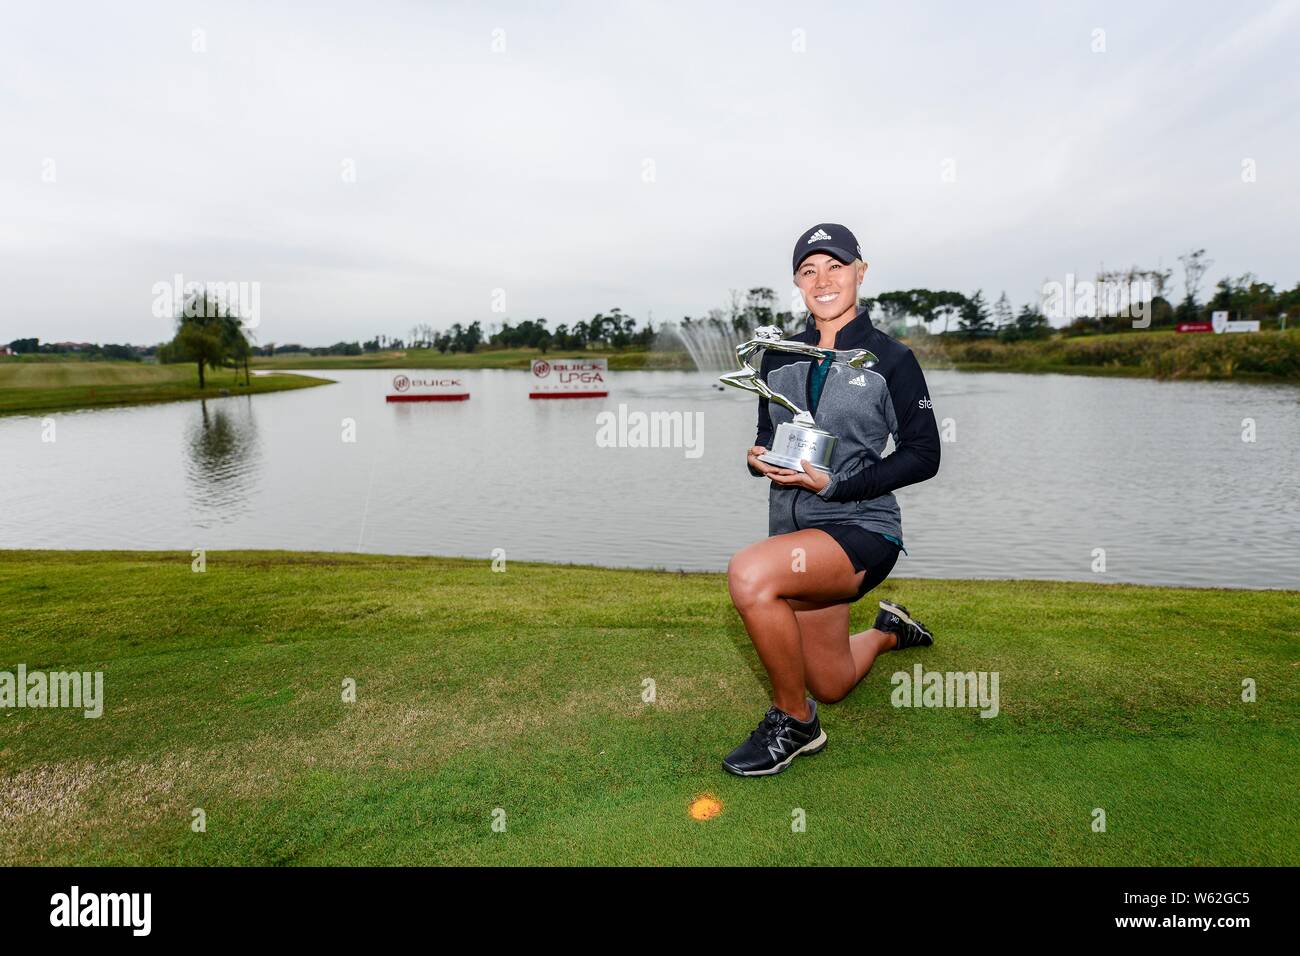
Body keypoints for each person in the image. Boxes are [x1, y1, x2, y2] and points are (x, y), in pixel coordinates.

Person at [722, 222, 942, 777]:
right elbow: (768, 436)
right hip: (797, 538)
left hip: (862, 528)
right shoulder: (776, 357)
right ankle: (891, 631)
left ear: (860, 273)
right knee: (833, 681)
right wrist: (757, 459)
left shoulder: (890, 359)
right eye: (808, 270)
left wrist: (837, 486)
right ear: (797, 283)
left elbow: (924, 454)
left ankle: (795, 723)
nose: (822, 279)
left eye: (835, 265)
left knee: (749, 576)